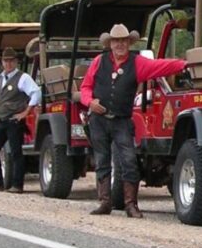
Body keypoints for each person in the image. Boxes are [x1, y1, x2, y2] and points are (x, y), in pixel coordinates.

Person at [80, 24, 188, 218]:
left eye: (123, 41)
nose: (120, 44)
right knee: (102, 161)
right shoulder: (98, 61)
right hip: (98, 120)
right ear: (110, 44)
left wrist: (184, 64)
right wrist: (90, 102)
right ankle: (105, 202)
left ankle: (131, 204)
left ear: (129, 43)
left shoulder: (137, 63)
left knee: (129, 161)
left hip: (121, 120)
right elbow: (85, 87)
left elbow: (161, 66)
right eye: (116, 41)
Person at [0, 47, 41, 193]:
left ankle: (17, 185)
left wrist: (26, 112)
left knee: (16, 153)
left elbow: (36, 93)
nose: (8, 64)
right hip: (1, 120)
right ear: (2, 62)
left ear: (16, 62)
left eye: (11, 61)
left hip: (14, 121)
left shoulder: (23, 78)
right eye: (6, 61)